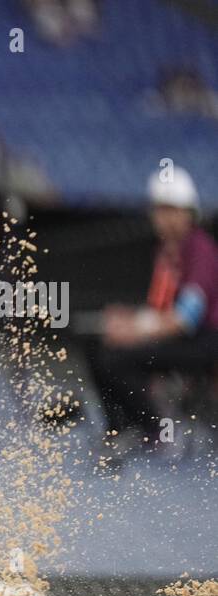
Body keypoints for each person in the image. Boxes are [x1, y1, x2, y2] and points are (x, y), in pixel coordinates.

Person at [87, 168, 218, 456]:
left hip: (204, 343)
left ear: (186, 213)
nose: (161, 218)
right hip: (184, 338)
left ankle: (158, 429)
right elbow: (161, 310)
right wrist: (130, 320)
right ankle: (123, 429)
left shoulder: (199, 249)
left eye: (169, 210)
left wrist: (136, 331)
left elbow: (186, 317)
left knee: (116, 359)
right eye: (159, 210)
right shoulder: (167, 252)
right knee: (99, 349)